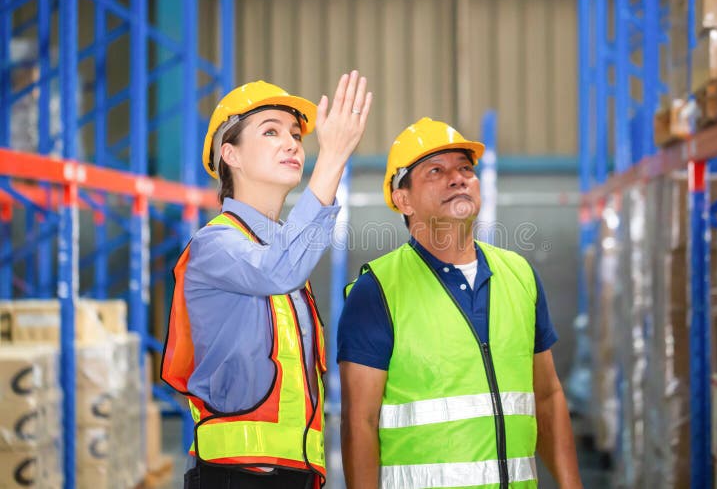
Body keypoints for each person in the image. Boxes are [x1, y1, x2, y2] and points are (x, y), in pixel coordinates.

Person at [337, 117, 583, 489]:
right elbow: (360, 422)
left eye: (465, 168)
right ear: (403, 199)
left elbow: (547, 396)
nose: (458, 178)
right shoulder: (377, 290)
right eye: (436, 171)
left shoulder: (519, 275)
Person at [161, 72, 372, 489]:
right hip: (236, 476)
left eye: (295, 134)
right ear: (231, 155)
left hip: (296, 475)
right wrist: (332, 158)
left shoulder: (283, 253)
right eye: (271, 131)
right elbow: (278, 269)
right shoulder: (215, 245)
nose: (292, 143)